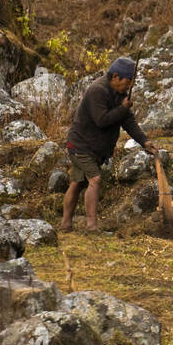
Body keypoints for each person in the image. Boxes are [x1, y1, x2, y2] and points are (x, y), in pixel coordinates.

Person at [61, 56, 158, 233]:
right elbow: (102, 120)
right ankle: (91, 227)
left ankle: (66, 225)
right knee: (95, 179)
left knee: (77, 183)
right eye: (127, 82)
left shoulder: (120, 94)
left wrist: (145, 142)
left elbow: (128, 122)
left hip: (93, 148)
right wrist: (123, 108)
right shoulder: (97, 91)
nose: (128, 86)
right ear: (115, 77)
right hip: (80, 146)